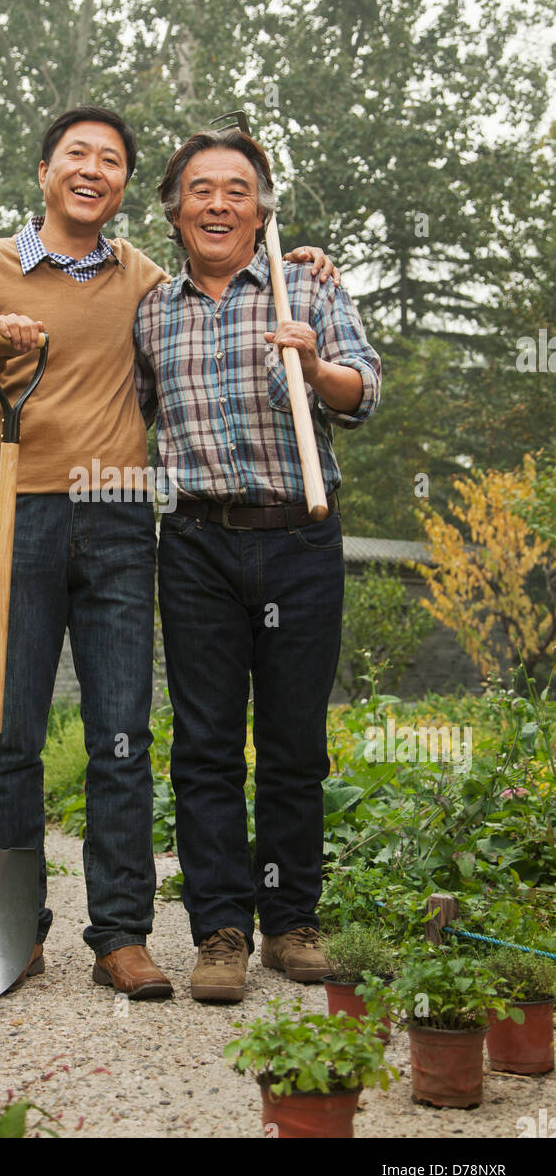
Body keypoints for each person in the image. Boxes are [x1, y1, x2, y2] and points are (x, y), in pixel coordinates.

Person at [0, 105, 337, 998]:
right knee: (13, 730)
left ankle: (120, 935)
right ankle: (17, 929)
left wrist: (294, 261)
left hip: (115, 520)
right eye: (79, 155)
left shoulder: (144, 278)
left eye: (111, 161)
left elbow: (222, 272)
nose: (94, 170)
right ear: (45, 170)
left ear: (123, 188)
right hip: (17, 507)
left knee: (120, 735)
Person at [134, 127, 381, 1002]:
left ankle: (292, 922)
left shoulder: (304, 285)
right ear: (175, 211)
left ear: (261, 210)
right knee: (204, 747)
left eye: (237, 189)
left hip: (301, 536)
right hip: (196, 544)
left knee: (292, 744)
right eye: (200, 189)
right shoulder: (153, 311)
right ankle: (220, 931)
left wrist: (314, 362)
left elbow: (365, 391)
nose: (218, 203)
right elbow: (130, 414)